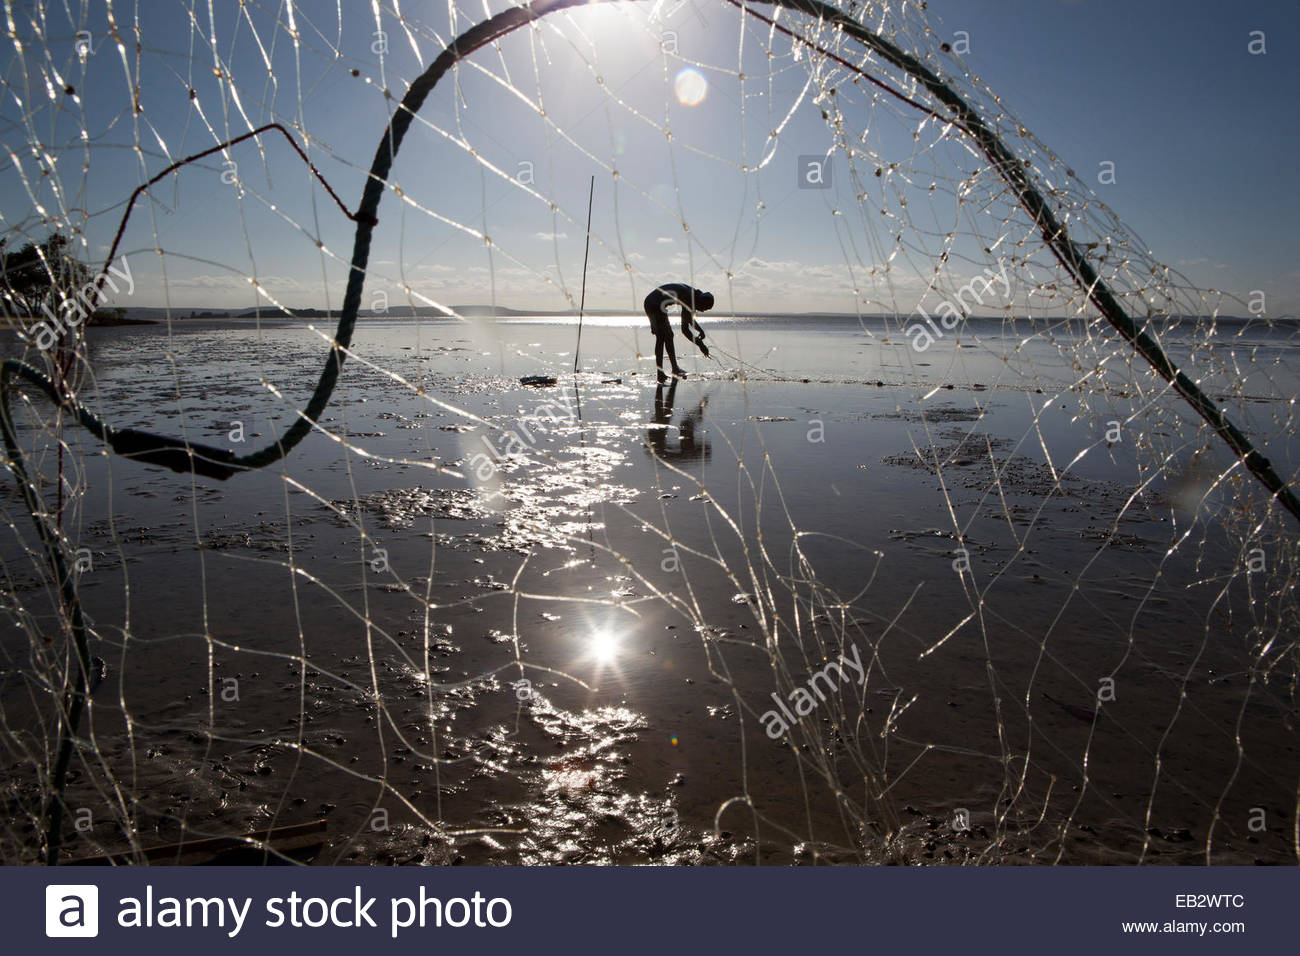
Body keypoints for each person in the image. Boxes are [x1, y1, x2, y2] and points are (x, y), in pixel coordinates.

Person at [643, 283, 714, 383]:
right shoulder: (689, 298)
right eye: (703, 308)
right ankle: (661, 373)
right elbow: (685, 330)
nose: (702, 311)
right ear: (701, 302)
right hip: (653, 304)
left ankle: (674, 368)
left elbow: (688, 320)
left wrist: (700, 330)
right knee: (661, 337)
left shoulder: (694, 296)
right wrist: (700, 344)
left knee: (668, 336)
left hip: (656, 304)